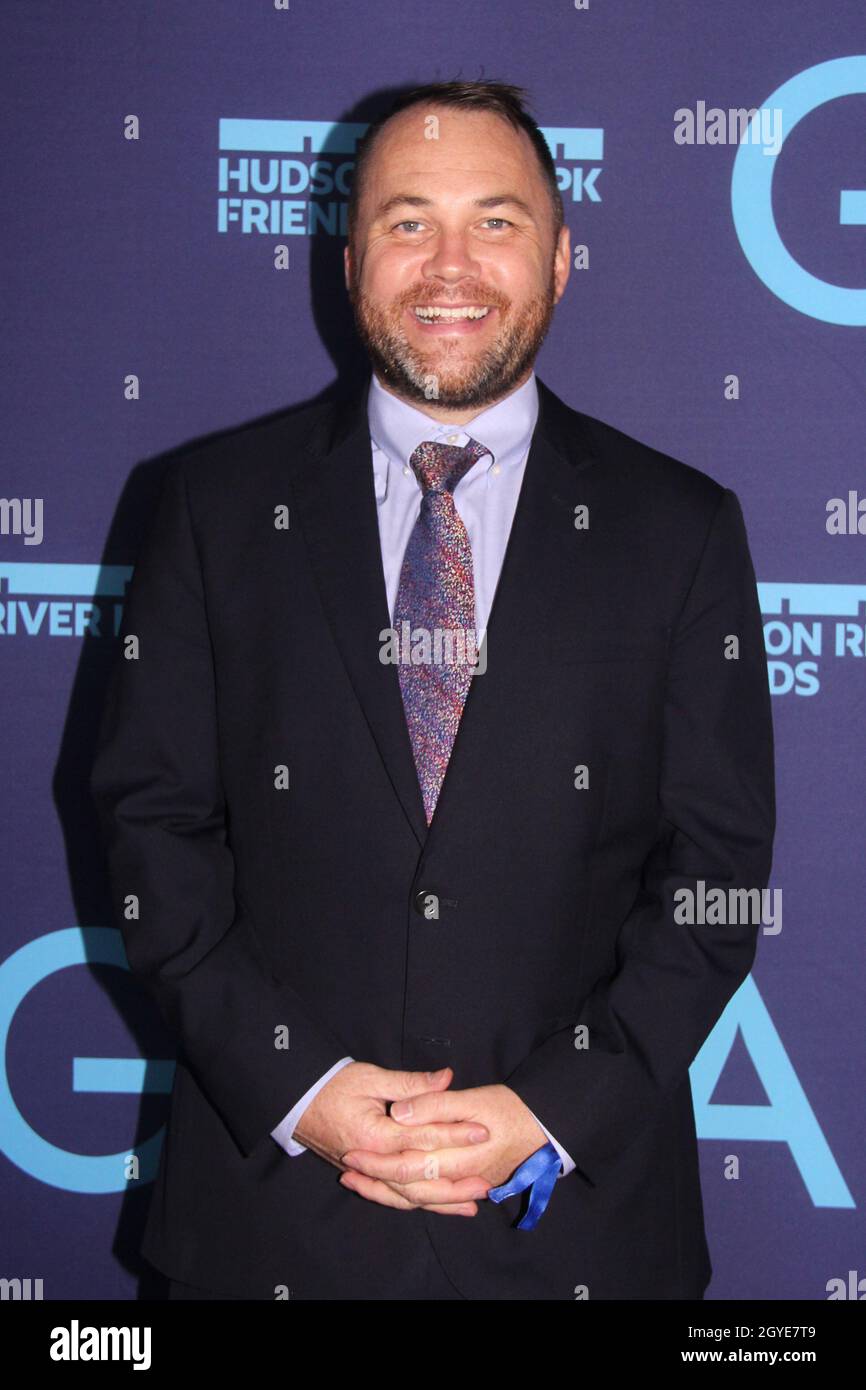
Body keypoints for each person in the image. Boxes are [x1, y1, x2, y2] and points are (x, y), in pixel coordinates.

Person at [90, 78, 775, 1301]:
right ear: (350, 260)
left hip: (575, 1228)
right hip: (268, 1226)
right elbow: (153, 830)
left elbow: (716, 874)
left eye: (495, 220)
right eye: (408, 221)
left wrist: (555, 1109)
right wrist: (305, 1090)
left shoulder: (680, 529)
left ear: (562, 257)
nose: (448, 264)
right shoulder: (210, 510)